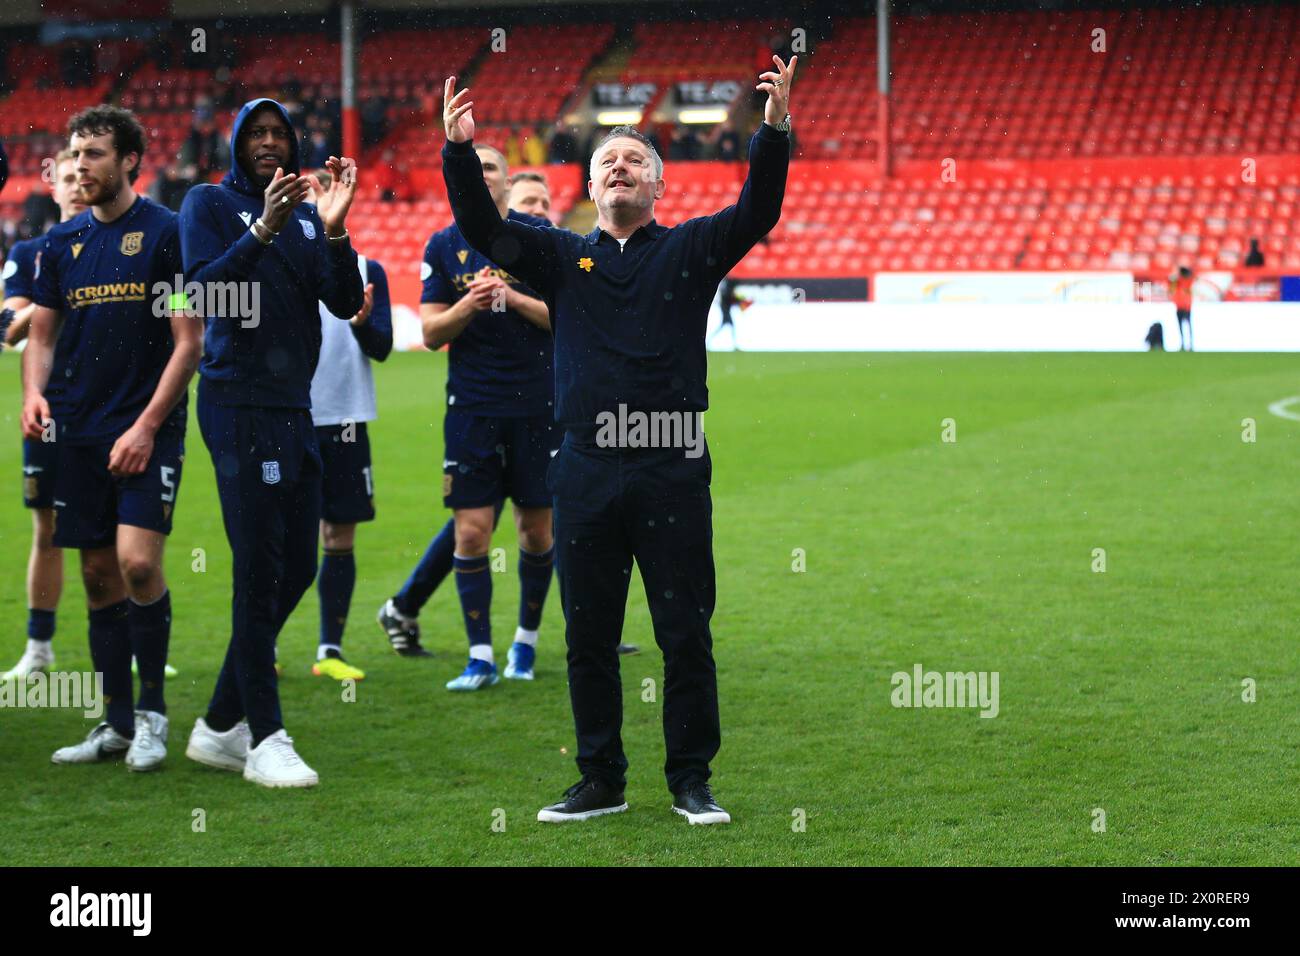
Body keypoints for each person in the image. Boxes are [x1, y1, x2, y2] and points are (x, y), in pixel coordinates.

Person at [440, 53, 795, 825]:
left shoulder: (690, 249)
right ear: (591, 186)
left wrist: (773, 134)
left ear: (658, 185)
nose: (622, 166)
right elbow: (482, 228)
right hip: (586, 467)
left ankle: (691, 779)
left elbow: (758, 213)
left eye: (637, 159)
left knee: (683, 633)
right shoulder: (562, 256)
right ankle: (600, 776)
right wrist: (459, 154)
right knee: (589, 635)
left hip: (672, 464)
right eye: (608, 161)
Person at [178, 98, 363, 788]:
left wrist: (337, 231)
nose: (267, 143)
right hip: (236, 404)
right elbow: (199, 296)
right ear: (235, 144)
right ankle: (265, 735)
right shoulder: (208, 204)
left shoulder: (312, 218)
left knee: (296, 571)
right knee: (258, 569)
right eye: (254, 133)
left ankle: (220, 723)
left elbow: (344, 304)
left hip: (295, 408)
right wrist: (261, 228)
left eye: (278, 134)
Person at [21, 106, 201, 771]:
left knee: (137, 565)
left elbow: (190, 343)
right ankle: (116, 722)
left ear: (130, 160)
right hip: (78, 430)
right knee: (97, 576)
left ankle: (153, 717)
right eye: (73, 154)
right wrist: (34, 394)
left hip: (146, 430)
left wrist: (148, 426)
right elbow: (40, 335)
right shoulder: (58, 243)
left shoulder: (170, 235)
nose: (78, 166)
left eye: (93, 153)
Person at [378, 145, 559, 690]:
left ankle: (524, 646)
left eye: (490, 169)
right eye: (472, 167)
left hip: (538, 407)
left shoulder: (539, 237)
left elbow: (567, 317)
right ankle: (479, 656)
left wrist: (511, 297)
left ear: (506, 183)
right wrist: (469, 306)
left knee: (535, 532)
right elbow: (430, 332)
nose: (481, 177)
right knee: (473, 533)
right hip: (473, 411)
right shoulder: (443, 244)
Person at [1, 149, 86, 683]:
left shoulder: (138, 247)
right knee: (47, 530)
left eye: (87, 174)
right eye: (68, 177)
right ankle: (39, 649)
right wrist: (62, 283)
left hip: (114, 409)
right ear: (51, 186)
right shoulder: (32, 252)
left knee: (126, 534)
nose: (79, 184)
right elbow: (7, 327)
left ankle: (130, 644)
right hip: (49, 412)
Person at [308, 169, 393, 683]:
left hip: (344, 418)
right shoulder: (277, 261)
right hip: (287, 415)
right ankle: (261, 644)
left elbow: (382, 347)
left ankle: (329, 649)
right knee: (275, 536)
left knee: (339, 534)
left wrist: (361, 322)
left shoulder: (366, 268)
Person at [1169, 265, 1194, 351]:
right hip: (1181, 307)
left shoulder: (1187, 281)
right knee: (1184, 326)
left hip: (1186, 307)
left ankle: (1189, 344)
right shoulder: (1177, 282)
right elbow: (1171, 289)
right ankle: (1184, 343)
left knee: (1187, 326)